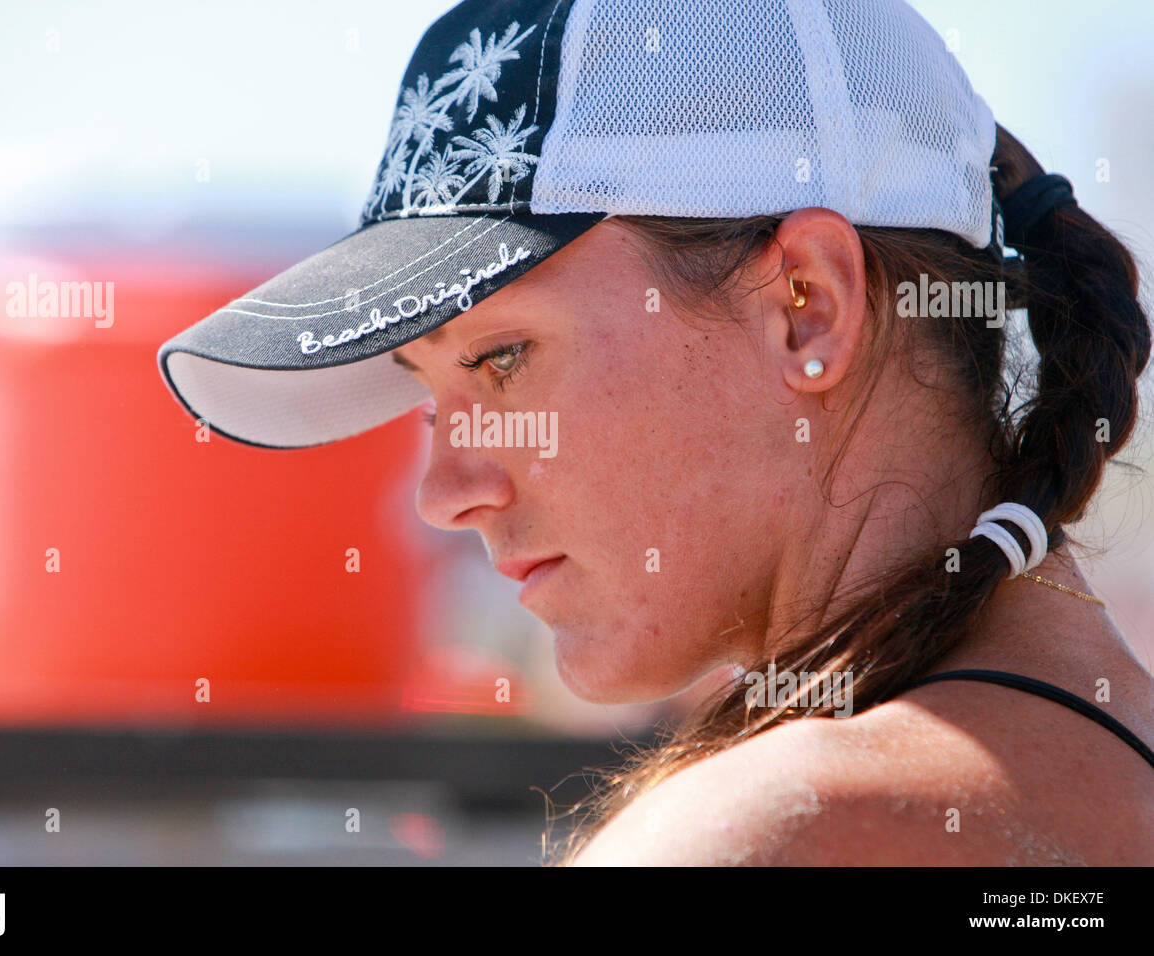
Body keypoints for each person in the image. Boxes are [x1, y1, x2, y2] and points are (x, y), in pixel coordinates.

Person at [156, 0, 1154, 865]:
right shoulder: (1107, 752)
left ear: (806, 306)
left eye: (503, 359)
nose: (442, 491)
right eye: (430, 398)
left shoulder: (760, 833)